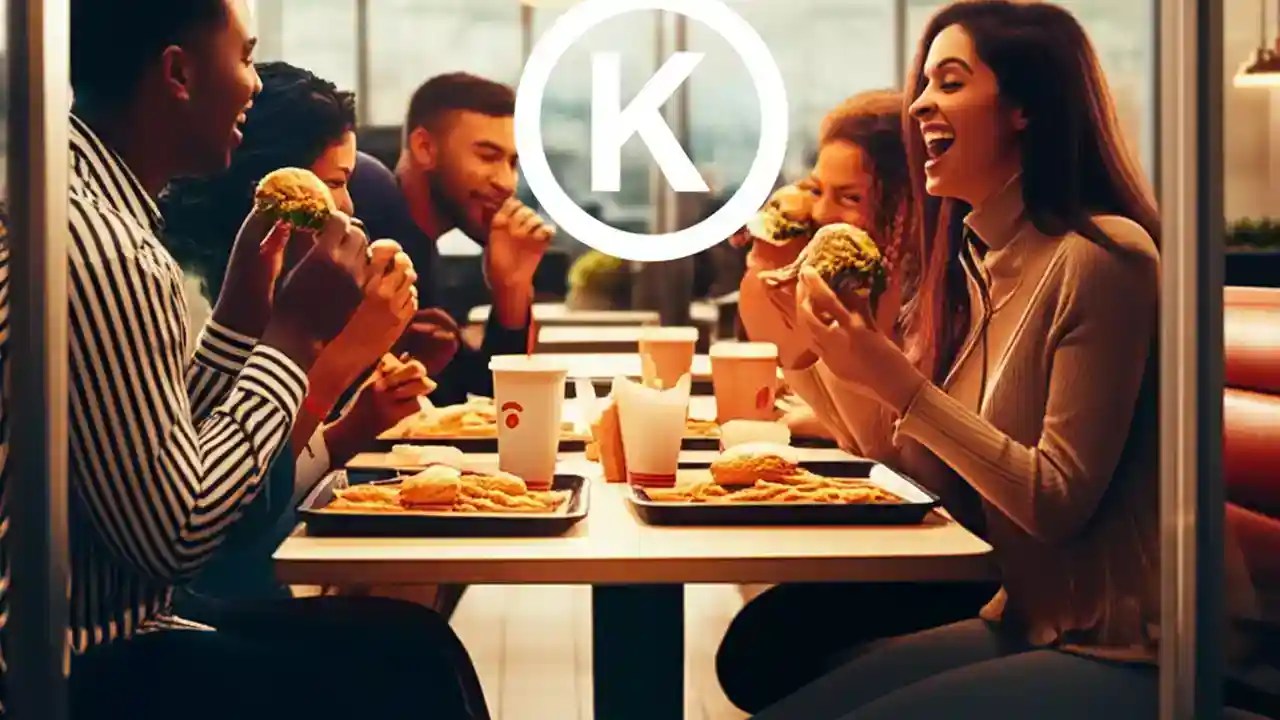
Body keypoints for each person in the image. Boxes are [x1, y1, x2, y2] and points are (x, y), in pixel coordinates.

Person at [0, 1, 486, 717]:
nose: (253, 85)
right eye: (246, 56)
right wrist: (295, 338)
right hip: (76, 666)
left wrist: (240, 314)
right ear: (177, 72)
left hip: (117, 628)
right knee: (409, 672)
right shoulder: (104, 248)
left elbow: (156, 452)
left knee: (414, 646)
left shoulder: (78, 203)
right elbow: (178, 536)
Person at [740, 2, 1201, 716]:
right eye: (924, 83)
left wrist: (901, 386)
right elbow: (934, 480)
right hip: (1024, 620)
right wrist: (816, 351)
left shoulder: (1105, 258)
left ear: (1025, 107)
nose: (920, 102)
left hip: (1135, 647)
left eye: (950, 82)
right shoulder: (987, 262)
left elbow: (1052, 504)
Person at [715, 88, 999, 714]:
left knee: (759, 649)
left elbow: (913, 467)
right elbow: (862, 440)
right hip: (922, 545)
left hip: (977, 564)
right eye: (819, 191)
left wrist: (835, 346)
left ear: (911, 204)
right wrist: (796, 345)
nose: (823, 217)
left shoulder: (953, 297)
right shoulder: (890, 287)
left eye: (851, 199)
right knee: (753, 647)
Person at [160, 61, 433, 608]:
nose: (350, 208)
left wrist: (357, 426)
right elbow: (223, 520)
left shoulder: (253, 288)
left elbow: (257, 466)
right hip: (202, 613)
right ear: (275, 190)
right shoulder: (180, 293)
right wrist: (340, 358)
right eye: (335, 184)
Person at [349, 72, 554, 408]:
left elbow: (485, 393)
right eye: (488, 156)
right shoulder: (376, 226)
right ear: (425, 148)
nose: (506, 182)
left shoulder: (423, 243)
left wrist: (512, 287)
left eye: (513, 162)